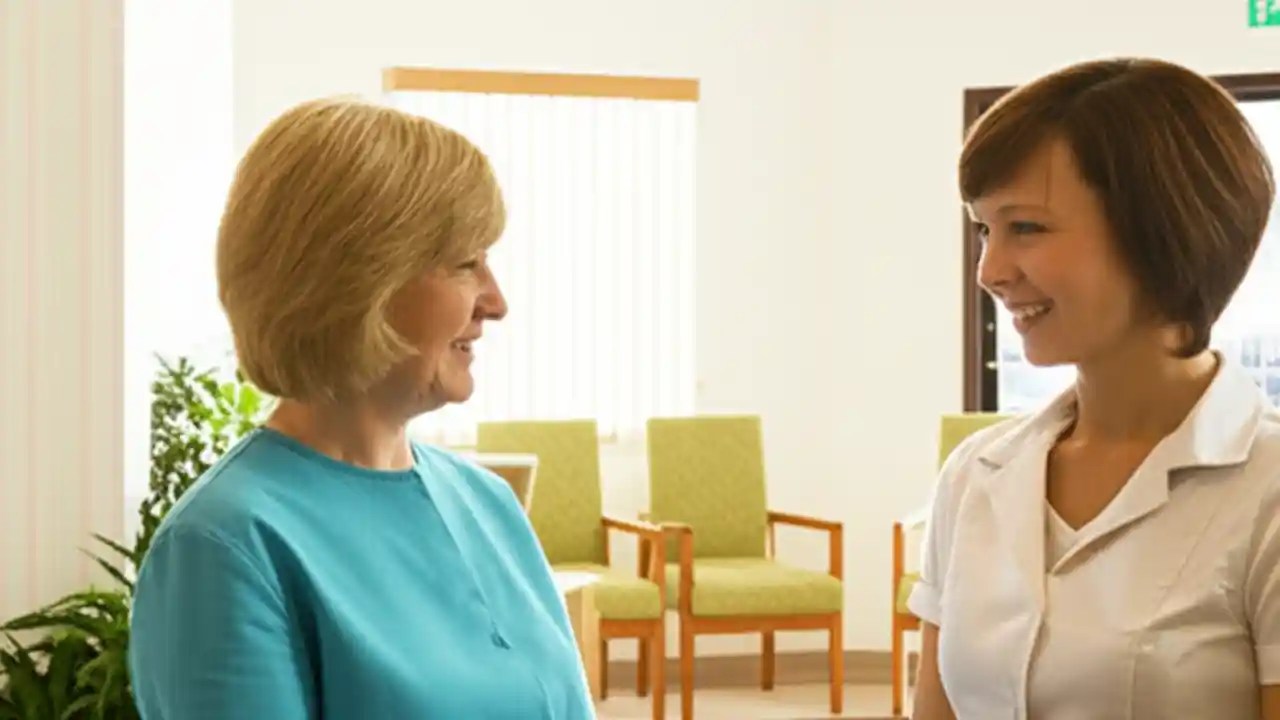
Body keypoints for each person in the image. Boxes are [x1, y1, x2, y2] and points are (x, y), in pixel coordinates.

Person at [128, 98, 594, 719]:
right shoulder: (226, 544)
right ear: (358, 280)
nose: (496, 301)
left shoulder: (487, 504)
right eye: (465, 264)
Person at [909, 58, 1280, 719]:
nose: (989, 271)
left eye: (1026, 227)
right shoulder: (974, 476)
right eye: (983, 230)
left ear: (1161, 231)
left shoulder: (1268, 492)